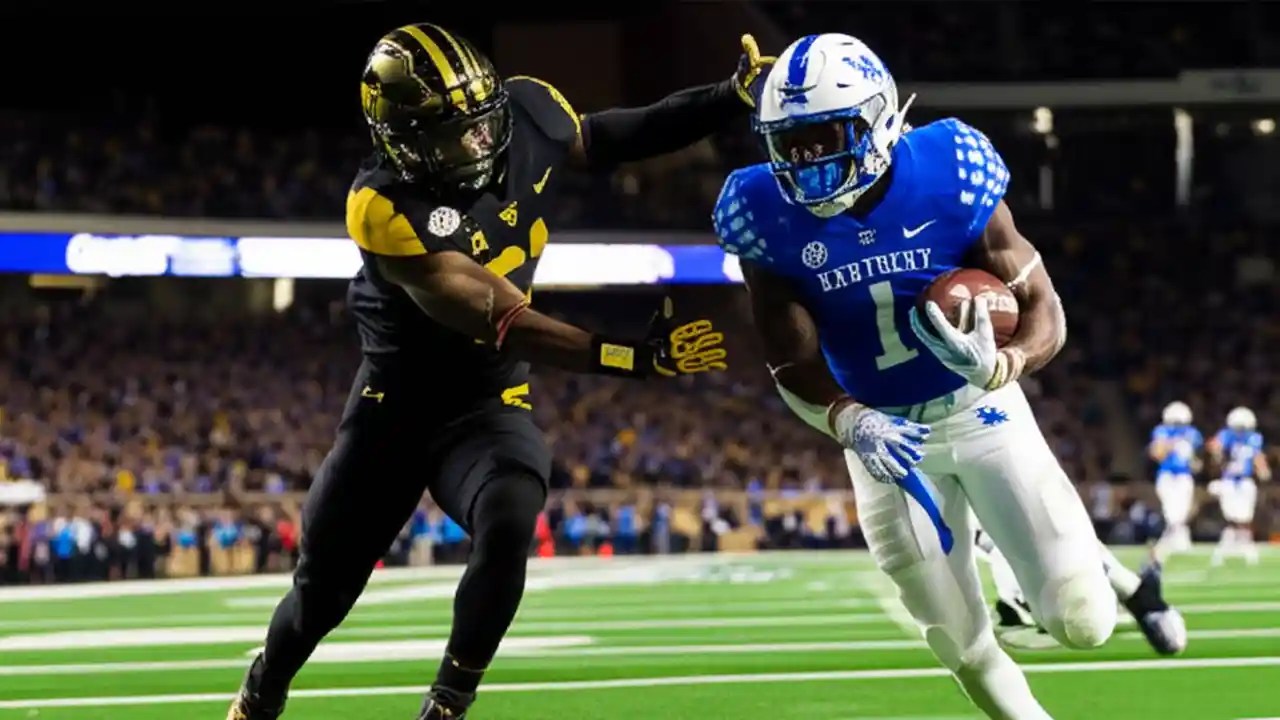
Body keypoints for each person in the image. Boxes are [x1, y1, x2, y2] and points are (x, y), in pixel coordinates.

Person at [227, 23, 773, 720]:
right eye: (455, 134)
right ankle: (262, 691)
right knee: (321, 595)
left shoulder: (529, 110)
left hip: (486, 400)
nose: (480, 142)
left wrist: (726, 98)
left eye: (483, 122)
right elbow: (504, 319)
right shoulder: (383, 205)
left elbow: (609, 137)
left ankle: (448, 702)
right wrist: (632, 357)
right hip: (394, 412)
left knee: (511, 513)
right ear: (402, 140)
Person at [713, 32, 1118, 719]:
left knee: (1083, 621)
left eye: (823, 138)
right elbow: (789, 360)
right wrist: (851, 420)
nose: (807, 164)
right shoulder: (761, 210)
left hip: (982, 409)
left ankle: (1041, 559)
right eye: (790, 144)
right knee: (957, 637)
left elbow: (1043, 305)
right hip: (886, 439)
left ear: (876, 118)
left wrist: (1008, 363)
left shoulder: (949, 166)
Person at [1208, 406, 1270, 566]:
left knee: (1243, 517)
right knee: (1234, 517)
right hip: (1231, 480)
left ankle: (1240, 545)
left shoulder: (1249, 437)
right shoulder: (1230, 436)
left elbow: (1257, 457)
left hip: (1242, 480)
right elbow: (1214, 447)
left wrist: (1262, 468)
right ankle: (1231, 546)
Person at [1149, 401, 1202, 561]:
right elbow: (1157, 454)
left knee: (1181, 510)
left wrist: (1195, 462)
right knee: (1171, 511)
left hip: (1184, 475)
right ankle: (1175, 540)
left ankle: (1174, 540)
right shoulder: (1161, 432)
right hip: (1167, 475)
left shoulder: (1193, 434)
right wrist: (1172, 443)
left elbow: (1196, 458)